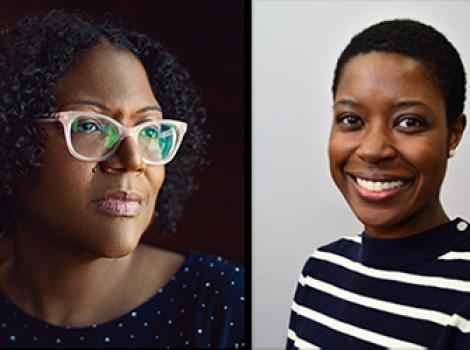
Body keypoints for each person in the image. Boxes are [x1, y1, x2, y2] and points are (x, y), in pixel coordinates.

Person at [0, 9, 245, 349]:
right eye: (90, 126)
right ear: (13, 140)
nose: (132, 160)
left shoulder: (227, 303)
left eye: (150, 130)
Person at [286, 19, 470, 349]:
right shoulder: (320, 270)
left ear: (454, 134)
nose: (373, 149)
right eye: (351, 120)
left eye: (409, 122)